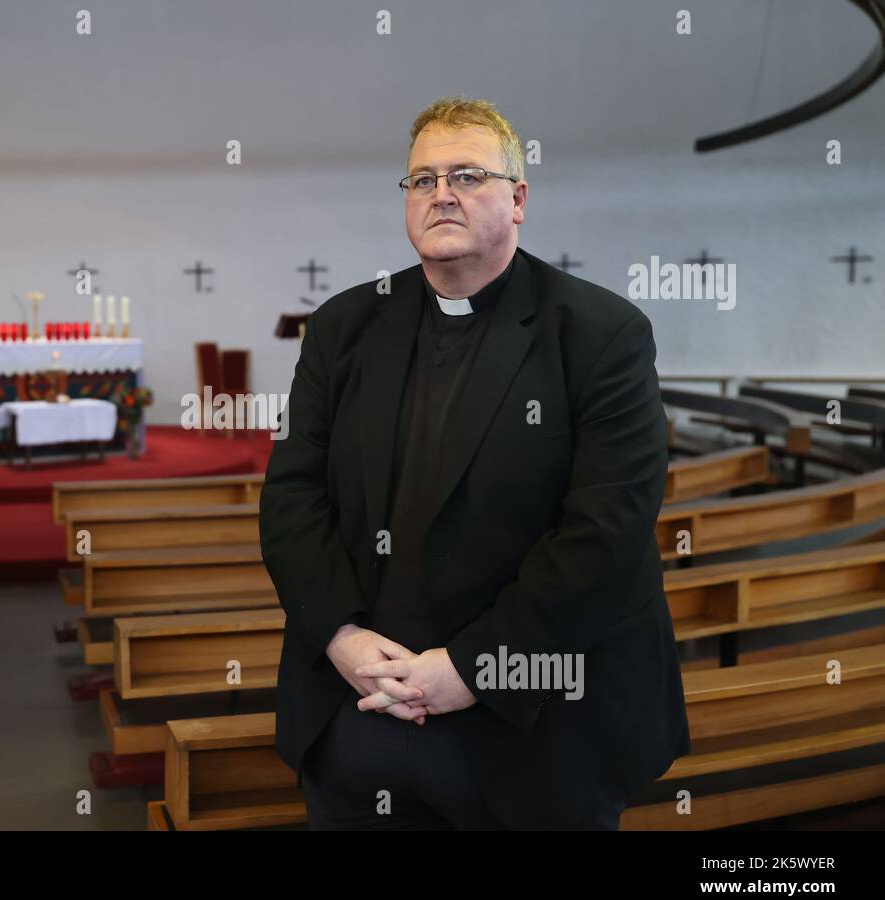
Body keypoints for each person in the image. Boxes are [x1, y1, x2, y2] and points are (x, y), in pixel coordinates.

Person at [259, 96, 690, 830]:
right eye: (422, 180)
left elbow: (606, 532)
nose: (441, 193)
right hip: (360, 708)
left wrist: (472, 669)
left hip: (537, 727)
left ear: (519, 198)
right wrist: (343, 637)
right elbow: (292, 496)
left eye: (466, 174)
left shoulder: (599, 333)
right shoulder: (343, 326)